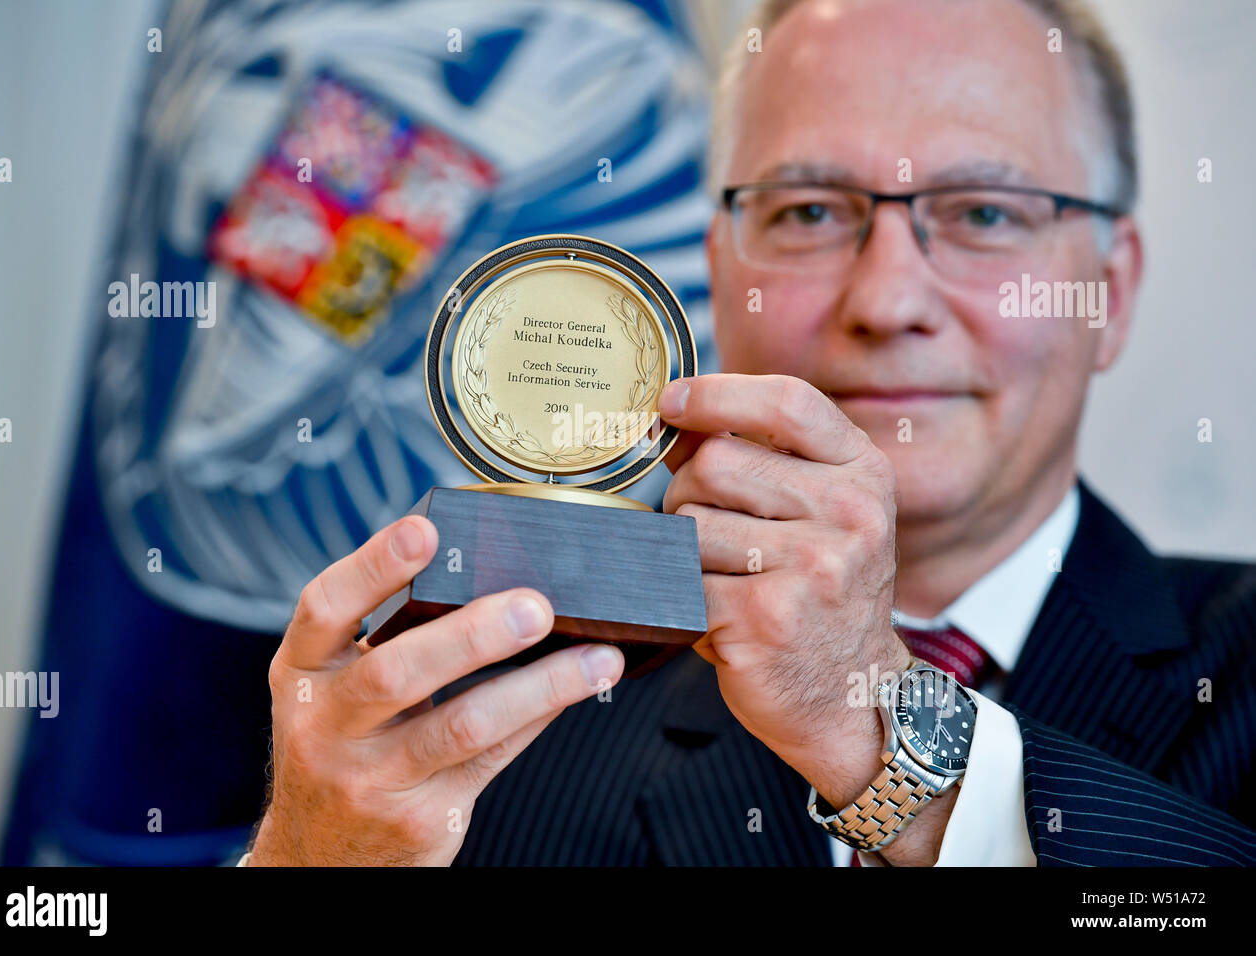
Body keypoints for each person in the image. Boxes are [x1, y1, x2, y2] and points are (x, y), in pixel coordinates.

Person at [244, 0, 1256, 866]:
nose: (887, 297)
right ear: (719, 273)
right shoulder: (481, 724)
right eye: (810, 211)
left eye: (984, 214)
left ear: (1107, 294)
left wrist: (880, 727)